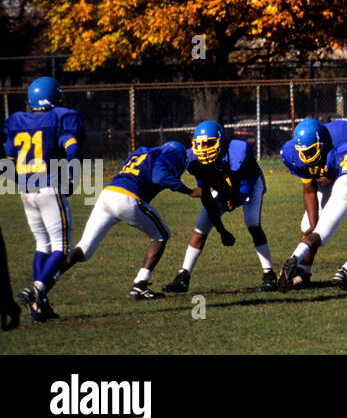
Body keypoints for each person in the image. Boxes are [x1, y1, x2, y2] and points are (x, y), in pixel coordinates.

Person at [48, 142, 200, 305]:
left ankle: (44, 281)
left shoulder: (143, 151)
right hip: (127, 198)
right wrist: (189, 191)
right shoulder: (174, 153)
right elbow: (159, 175)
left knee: (83, 248)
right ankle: (140, 284)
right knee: (161, 235)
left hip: (107, 194)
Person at [162, 120, 275, 294]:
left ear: (220, 141)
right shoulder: (195, 162)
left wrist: (236, 200)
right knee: (201, 227)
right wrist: (222, 231)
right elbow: (206, 197)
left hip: (250, 183)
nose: (204, 148)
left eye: (208, 143)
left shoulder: (237, 152)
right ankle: (183, 276)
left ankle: (269, 274)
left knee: (252, 222)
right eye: (200, 144)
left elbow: (247, 185)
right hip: (222, 187)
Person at [4, 77, 84, 320]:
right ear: (56, 97)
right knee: (62, 247)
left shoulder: (16, 121)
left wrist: (19, 180)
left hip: (25, 190)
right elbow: (72, 146)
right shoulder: (61, 117)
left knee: (42, 244)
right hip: (48, 187)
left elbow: (7, 160)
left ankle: (40, 304)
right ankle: (37, 289)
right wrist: (72, 170)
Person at [279, 133, 347, 291]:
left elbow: (329, 172)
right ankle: (344, 272)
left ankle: (294, 256)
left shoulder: (339, 150)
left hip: (341, 184)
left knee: (318, 234)